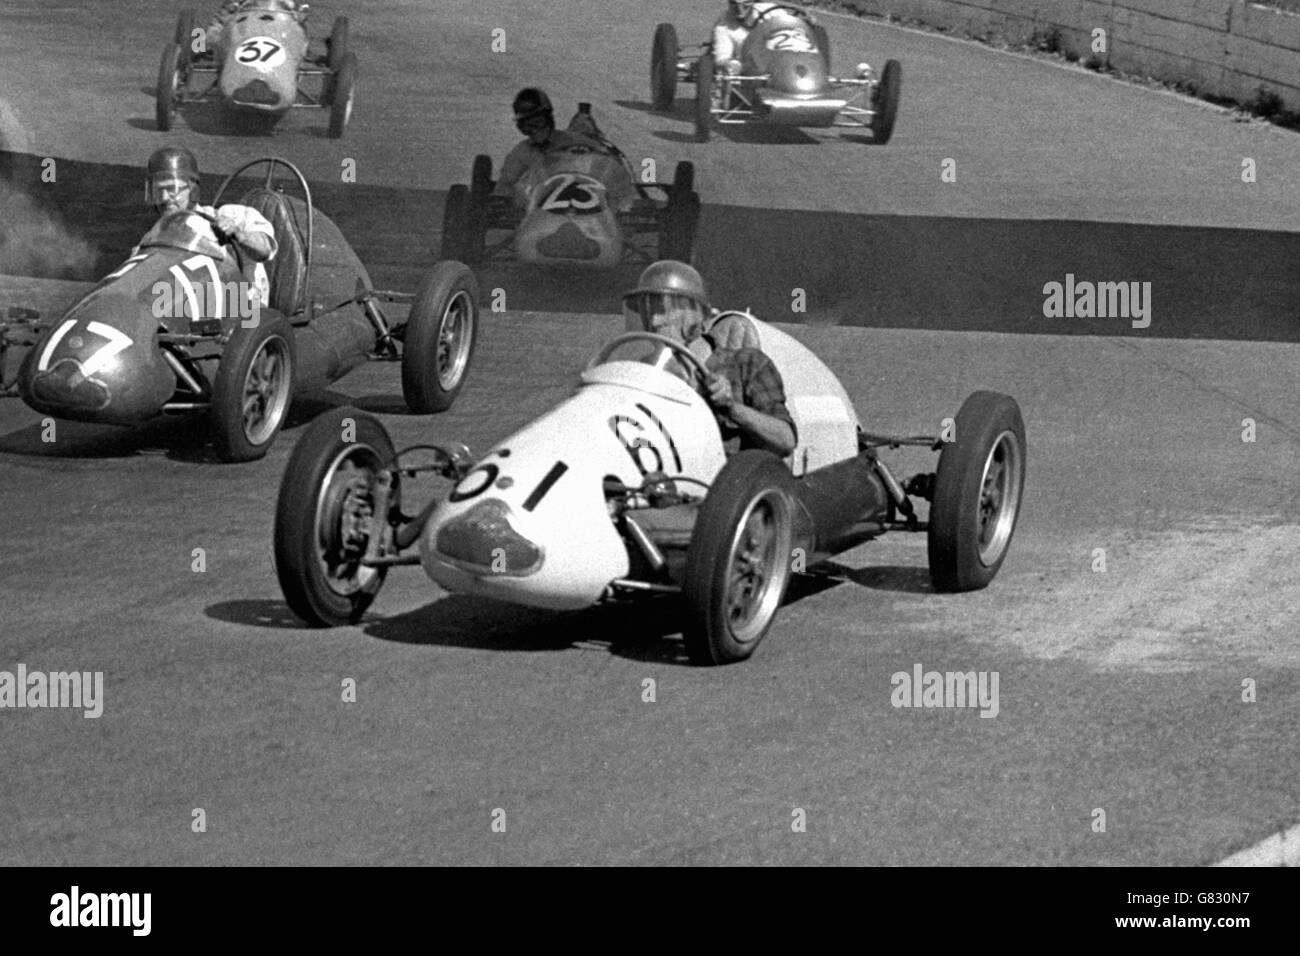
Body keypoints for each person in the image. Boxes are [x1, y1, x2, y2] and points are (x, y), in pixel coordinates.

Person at [621, 260, 797, 457]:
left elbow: (786, 440)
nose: (653, 321)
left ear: (696, 313)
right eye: (647, 311)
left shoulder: (746, 363)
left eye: (663, 309)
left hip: (725, 483)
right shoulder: (642, 371)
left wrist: (732, 408)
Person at [137, 146, 278, 266]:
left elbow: (265, 250)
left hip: (243, 296)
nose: (163, 198)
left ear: (192, 190)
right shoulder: (152, 238)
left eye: (171, 189)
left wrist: (239, 235)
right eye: (157, 191)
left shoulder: (234, 215)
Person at [494, 88, 608, 197]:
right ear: (521, 128)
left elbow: (608, 161)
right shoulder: (521, 153)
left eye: (538, 122)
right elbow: (504, 188)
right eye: (527, 126)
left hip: (581, 207)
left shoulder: (575, 141)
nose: (534, 130)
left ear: (548, 119)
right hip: (537, 211)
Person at [711, 0, 805, 66]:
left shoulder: (771, 10)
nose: (739, 9)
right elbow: (722, 57)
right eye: (734, 3)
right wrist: (730, 64)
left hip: (785, 59)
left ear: (752, 2)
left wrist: (806, 22)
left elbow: (791, 28)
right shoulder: (723, 25)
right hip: (754, 71)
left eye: (745, 3)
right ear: (729, 3)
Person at [205, 0, 306, 49]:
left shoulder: (291, 4)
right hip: (244, 38)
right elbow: (218, 24)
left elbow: (299, 28)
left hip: (279, 38)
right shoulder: (236, 3)